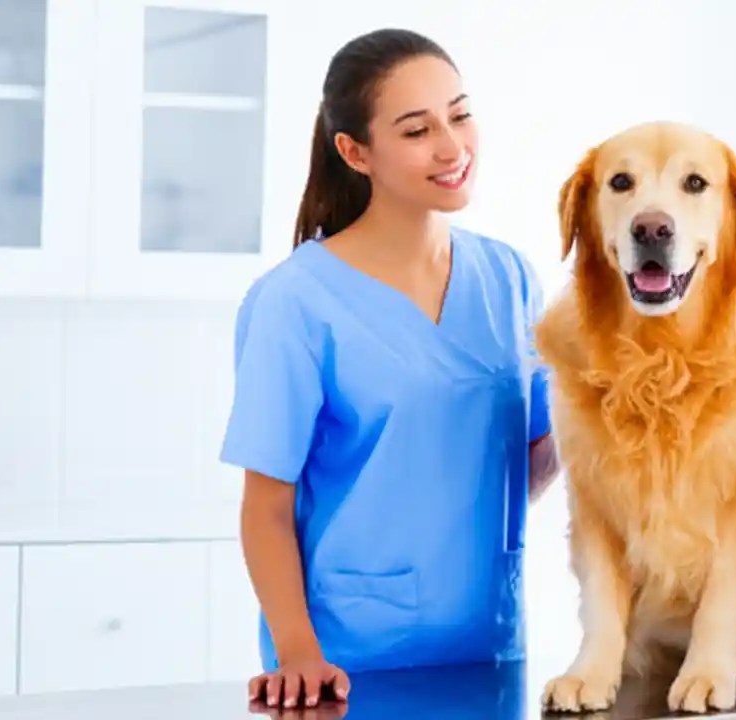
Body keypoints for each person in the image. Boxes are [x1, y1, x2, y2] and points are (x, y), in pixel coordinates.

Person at [218, 28, 559, 710]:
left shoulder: (510, 278)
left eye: (460, 114)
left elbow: (540, 454)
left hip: (488, 648)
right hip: (346, 663)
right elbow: (265, 508)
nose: (452, 146)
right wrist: (298, 655)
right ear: (354, 152)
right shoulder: (296, 302)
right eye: (416, 130)